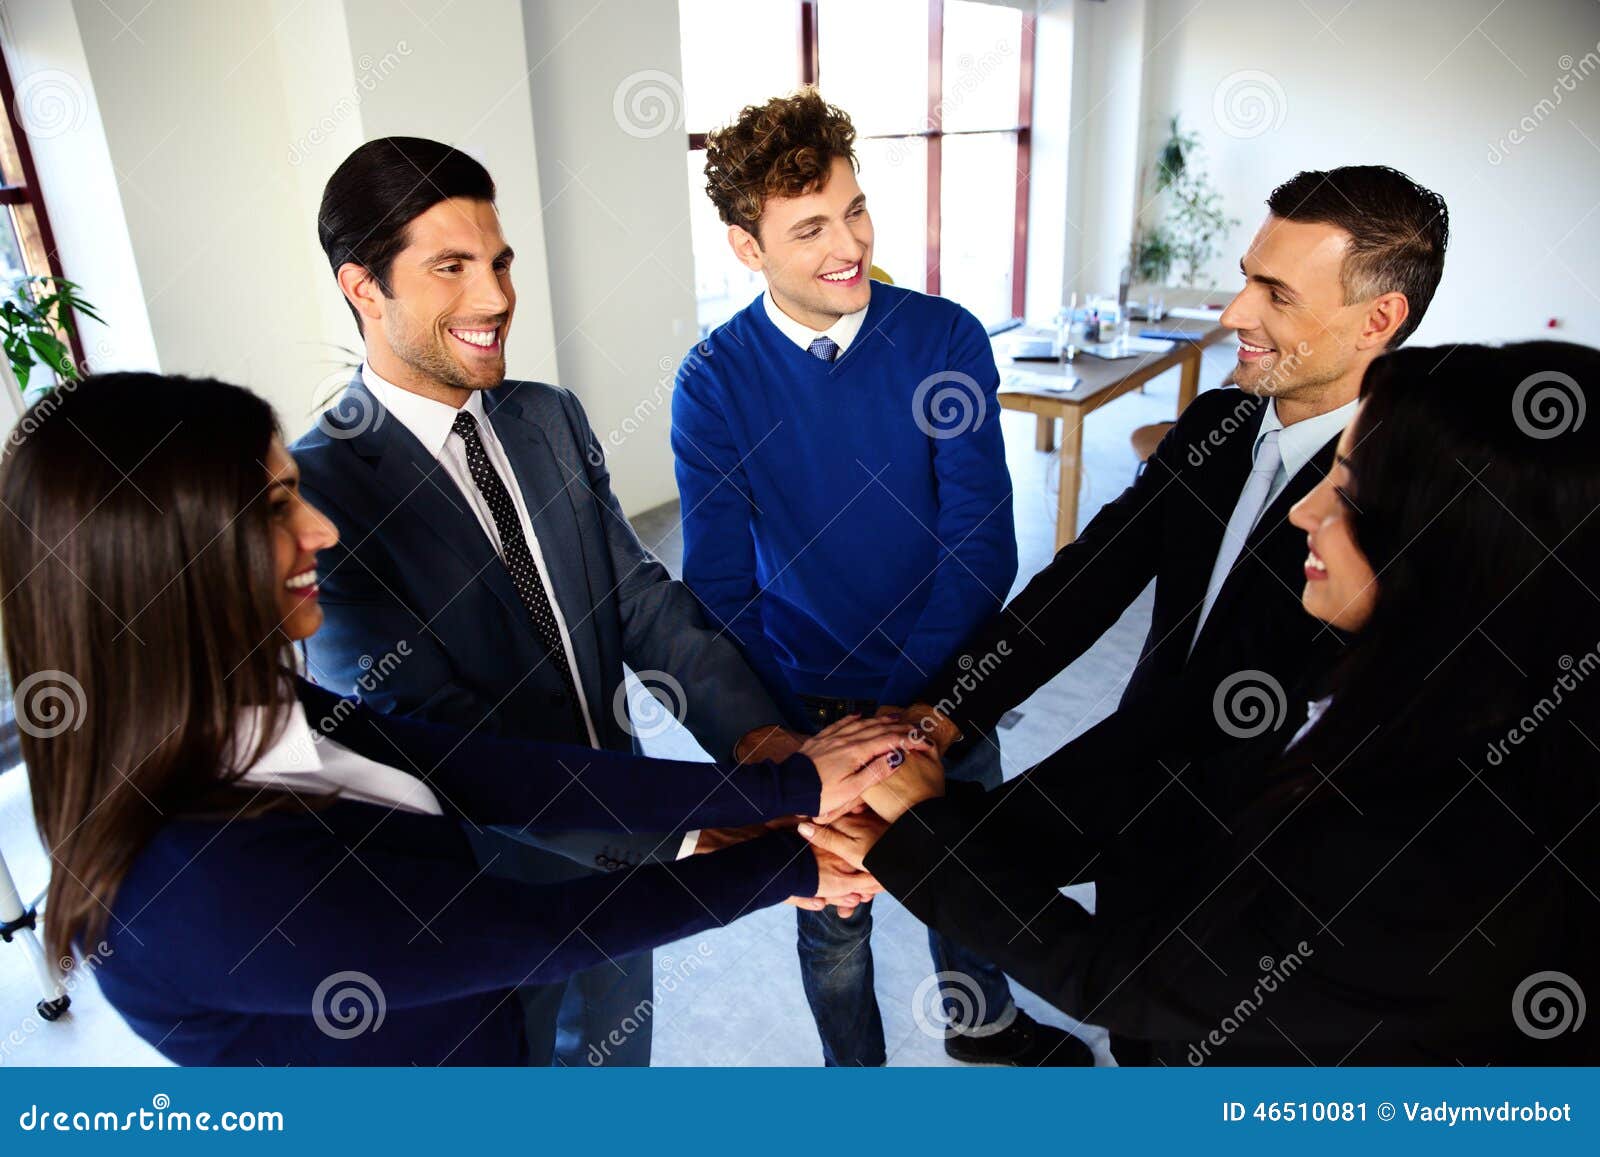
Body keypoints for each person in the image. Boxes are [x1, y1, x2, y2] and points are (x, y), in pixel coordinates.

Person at [0, 372, 917, 1066]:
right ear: (171, 568)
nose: (319, 529)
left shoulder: (251, 705)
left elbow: (486, 768)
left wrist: (780, 785)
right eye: (276, 506)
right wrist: (783, 858)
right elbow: (530, 928)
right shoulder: (192, 884)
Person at [804, 341, 1600, 1065]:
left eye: (1348, 493)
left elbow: (1127, 975)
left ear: (1454, 544)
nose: (1304, 512)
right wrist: (923, 795)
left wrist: (926, 837)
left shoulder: (1451, 837)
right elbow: (1135, 694)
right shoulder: (1389, 668)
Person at [293, 137, 813, 1067]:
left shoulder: (548, 416)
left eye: (498, 262)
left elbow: (642, 601)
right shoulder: (316, 495)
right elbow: (438, 732)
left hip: (623, 847)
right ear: (363, 287)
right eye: (450, 267)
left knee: (615, 1067)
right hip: (486, 892)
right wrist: (688, 833)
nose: (494, 298)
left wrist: (758, 744)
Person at [671, 89, 1077, 1067]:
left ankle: (983, 1026)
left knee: (968, 874)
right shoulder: (712, 379)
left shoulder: (943, 338)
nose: (848, 242)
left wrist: (908, 720)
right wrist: (806, 742)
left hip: (944, 685)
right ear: (746, 247)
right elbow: (720, 586)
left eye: (854, 209)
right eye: (810, 227)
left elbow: (980, 541)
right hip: (806, 699)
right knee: (831, 912)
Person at [898, 166, 1450, 787]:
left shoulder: (1412, 493)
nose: (1235, 311)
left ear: (1378, 320)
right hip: (1142, 788)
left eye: (1279, 294)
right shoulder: (1215, 423)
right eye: (1247, 278)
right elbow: (1091, 579)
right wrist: (944, 713)